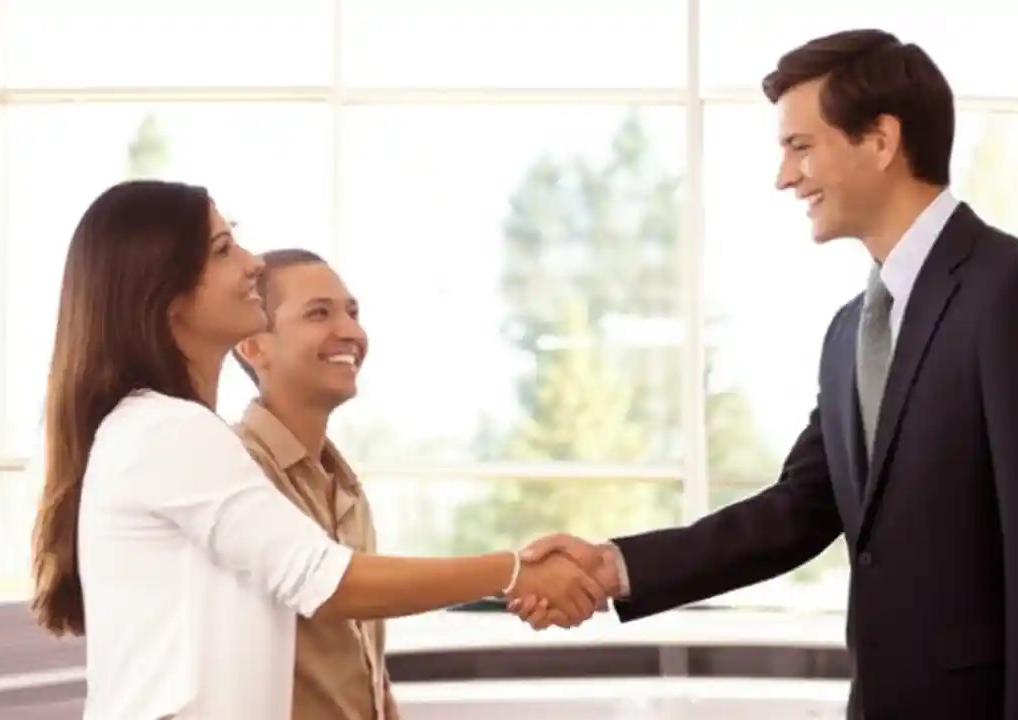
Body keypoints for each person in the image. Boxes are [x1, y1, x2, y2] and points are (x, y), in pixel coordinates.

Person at [513, 29, 1018, 719]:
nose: (784, 177)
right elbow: (797, 510)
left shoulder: (1016, 294)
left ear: (882, 140)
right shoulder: (849, 332)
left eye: (800, 147)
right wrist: (613, 566)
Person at [29, 180, 604, 719]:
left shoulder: (169, 431)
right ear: (168, 296)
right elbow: (327, 581)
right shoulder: (168, 431)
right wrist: (511, 570)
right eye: (224, 248)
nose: (253, 262)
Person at [228, 248, 397, 719]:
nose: (351, 332)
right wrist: (511, 571)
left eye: (352, 311)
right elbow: (334, 588)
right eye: (319, 313)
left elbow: (357, 653)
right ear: (254, 346)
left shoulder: (345, 486)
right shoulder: (236, 472)